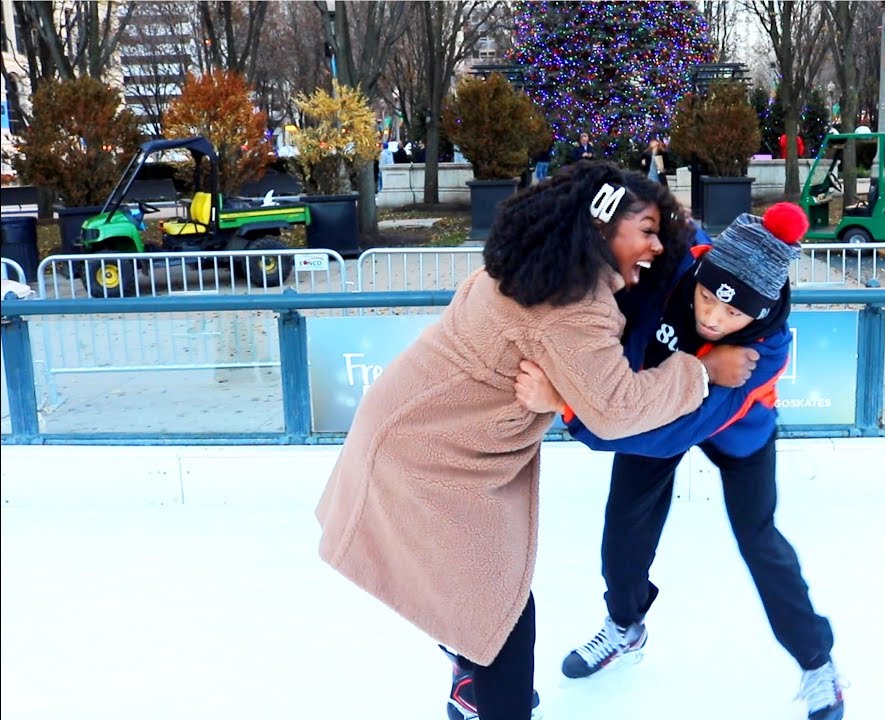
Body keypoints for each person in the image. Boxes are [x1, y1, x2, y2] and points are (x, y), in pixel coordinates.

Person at [315, 161, 760, 720]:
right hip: (430, 460)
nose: (656, 245)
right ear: (601, 228)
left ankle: (476, 677)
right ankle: (494, 698)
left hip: (420, 437)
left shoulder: (537, 269)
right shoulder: (573, 308)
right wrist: (702, 373)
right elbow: (617, 410)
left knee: (480, 600)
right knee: (499, 615)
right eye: (646, 231)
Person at [513, 203, 846, 720]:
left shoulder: (766, 347)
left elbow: (675, 434)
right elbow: (641, 215)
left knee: (760, 540)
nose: (712, 317)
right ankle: (625, 625)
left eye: (733, 313)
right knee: (624, 524)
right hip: (653, 399)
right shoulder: (679, 262)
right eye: (708, 297)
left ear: (756, 315)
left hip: (732, 430)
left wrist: (565, 403)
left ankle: (815, 660)